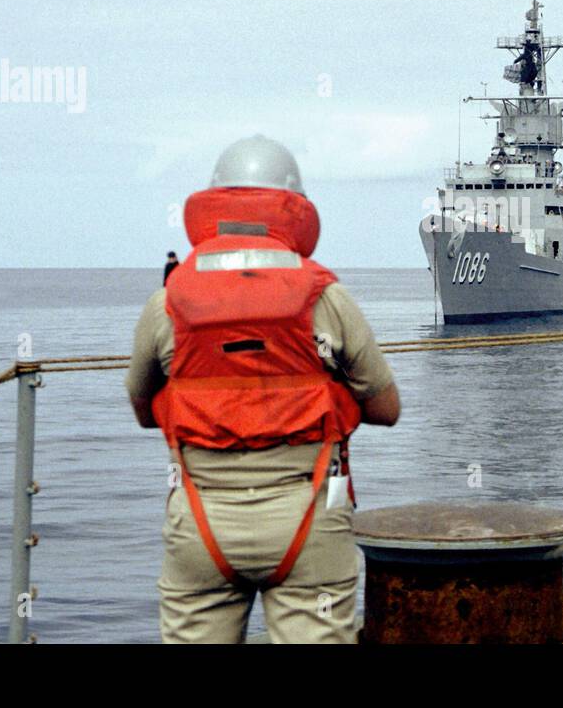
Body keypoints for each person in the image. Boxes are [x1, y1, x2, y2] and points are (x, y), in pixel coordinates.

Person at [125, 134, 401, 643]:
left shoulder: (166, 302)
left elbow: (145, 410)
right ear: (294, 207)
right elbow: (386, 408)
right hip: (312, 518)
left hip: (200, 522)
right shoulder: (327, 298)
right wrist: (327, 394)